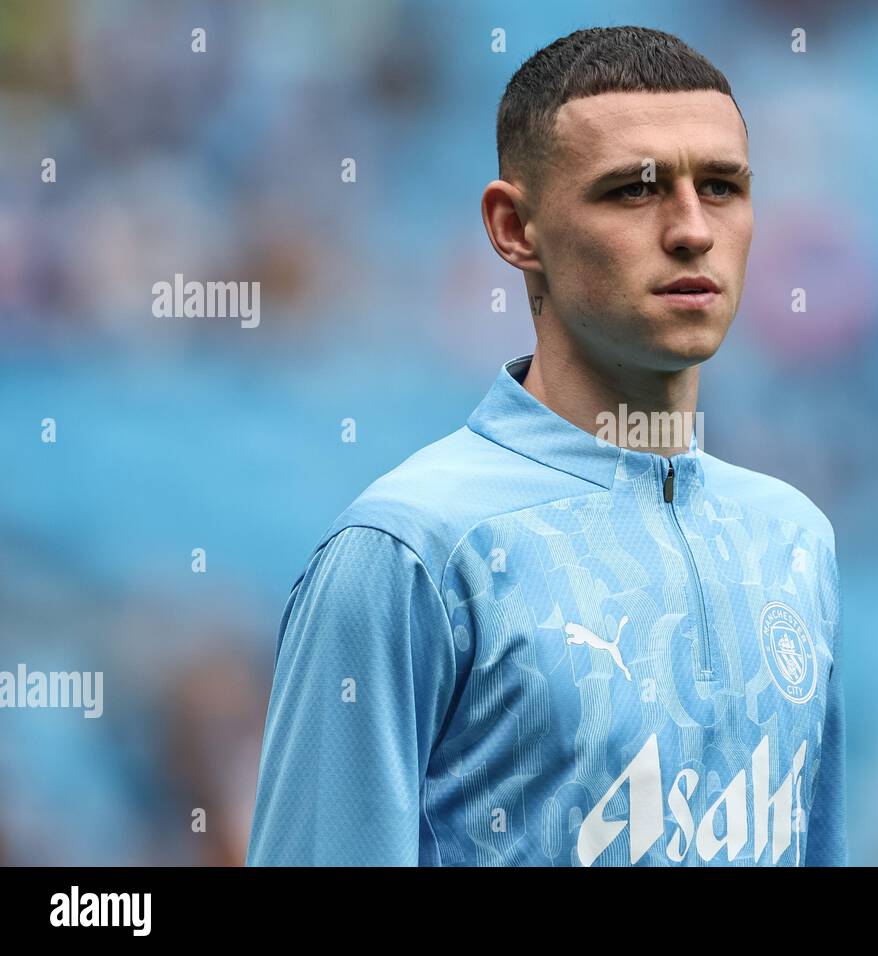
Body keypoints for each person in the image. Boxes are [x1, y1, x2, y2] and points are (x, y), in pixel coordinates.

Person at [246, 25, 845, 866]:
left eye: (721, 187)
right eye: (634, 192)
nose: (691, 230)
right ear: (514, 227)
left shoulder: (794, 541)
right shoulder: (411, 551)